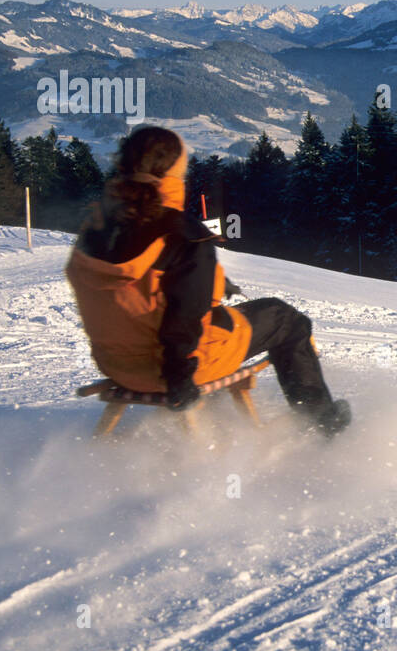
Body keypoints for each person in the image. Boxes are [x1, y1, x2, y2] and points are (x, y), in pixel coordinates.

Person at [65, 125, 351, 436]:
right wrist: (179, 378)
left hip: (117, 365)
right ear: (173, 172)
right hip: (176, 371)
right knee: (286, 320)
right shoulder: (183, 235)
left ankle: (216, 410)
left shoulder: (94, 228)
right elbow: (184, 319)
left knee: (220, 317)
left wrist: (209, 281)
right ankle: (322, 421)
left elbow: (137, 291)